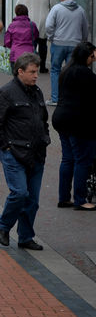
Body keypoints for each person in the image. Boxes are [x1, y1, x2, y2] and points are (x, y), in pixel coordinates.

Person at [0, 54, 49, 250]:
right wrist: (4, 145)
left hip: (36, 153)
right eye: (32, 72)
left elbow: (43, 119)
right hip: (14, 153)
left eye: (37, 71)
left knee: (32, 200)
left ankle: (25, 237)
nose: (36, 75)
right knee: (20, 193)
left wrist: (45, 138)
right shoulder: (6, 93)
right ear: (20, 71)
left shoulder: (37, 92)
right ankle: (4, 226)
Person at [53, 42, 96, 210]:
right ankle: (80, 199)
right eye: (93, 55)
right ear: (88, 56)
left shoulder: (67, 70)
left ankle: (64, 197)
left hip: (62, 118)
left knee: (68, 158)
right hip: (79, 122)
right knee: (82, 160)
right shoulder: (84, 73)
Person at [44, 0, 90, 105]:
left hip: (58, 43)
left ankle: (56, 98)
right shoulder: (80, 10)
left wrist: (51, 37)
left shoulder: (56, 8)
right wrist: (83, 41)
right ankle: (71, 97)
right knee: (72, 71)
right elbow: (85, 27)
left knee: (55, 70)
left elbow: (49, 25)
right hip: (75, 44)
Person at [16, 0, 56, 64]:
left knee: (30, 44)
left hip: (28, 22)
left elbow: (17, 7)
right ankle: (42, 66)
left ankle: (30, 64)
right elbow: (54, 8)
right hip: (43, 22)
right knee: (43, 44)